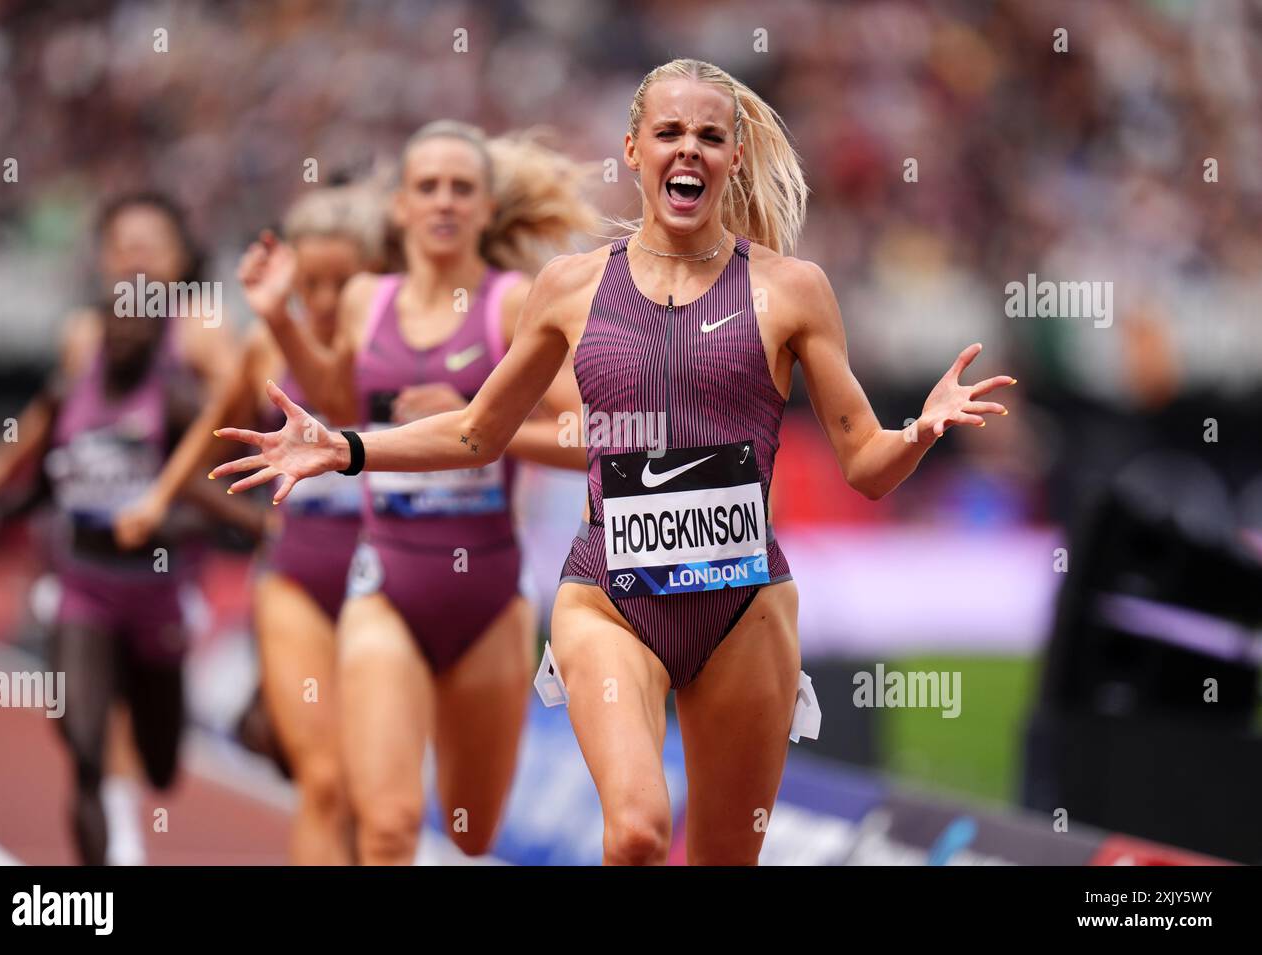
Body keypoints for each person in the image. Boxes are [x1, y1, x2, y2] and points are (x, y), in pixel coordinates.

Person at [211, 61, 1015, 865]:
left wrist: (921, 430)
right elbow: (476, 434)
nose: (688, 151)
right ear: (633, 151)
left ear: (735, 156)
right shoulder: (569, 288)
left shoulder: (793, 290)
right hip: (608, 598)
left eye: (709, 135)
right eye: (669, 133)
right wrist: (346, 448)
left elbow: (868, 466)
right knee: (634, 831)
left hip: (745, 609)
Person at [232, 121, 592, 863]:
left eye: (462, 187)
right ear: (398, 208)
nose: (444, 201)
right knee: (388, 823)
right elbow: (335, 396)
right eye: (427, 186)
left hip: (490, 598)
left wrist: (477, 426)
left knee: (469, 832)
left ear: (488, 209)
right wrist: (278, 318)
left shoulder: (510, 304)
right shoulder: (368, 298)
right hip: (386, 581)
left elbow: (588, 436)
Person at [0, 192, 252, 864]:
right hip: (85, 567)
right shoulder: (85, 334)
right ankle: (109, 836)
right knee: (84, 730)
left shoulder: (202, 328)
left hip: (163, 562)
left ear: (182, 255)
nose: (136, 255)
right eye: (122, 243)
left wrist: (186, 501)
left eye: (152, 241)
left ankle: (135, 774)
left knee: (158, 752)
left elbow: (231, 425)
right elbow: (57, 420)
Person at [113, 183, 387, 864]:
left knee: (372, 791)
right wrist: (163, 501)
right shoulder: (266, 349)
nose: (323, 300)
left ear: (374, 279)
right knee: (320, 780)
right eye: (311, 283)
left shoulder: (398, 345)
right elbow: (206, 441)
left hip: (389, 581)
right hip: (295, 573)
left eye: (342, 283)